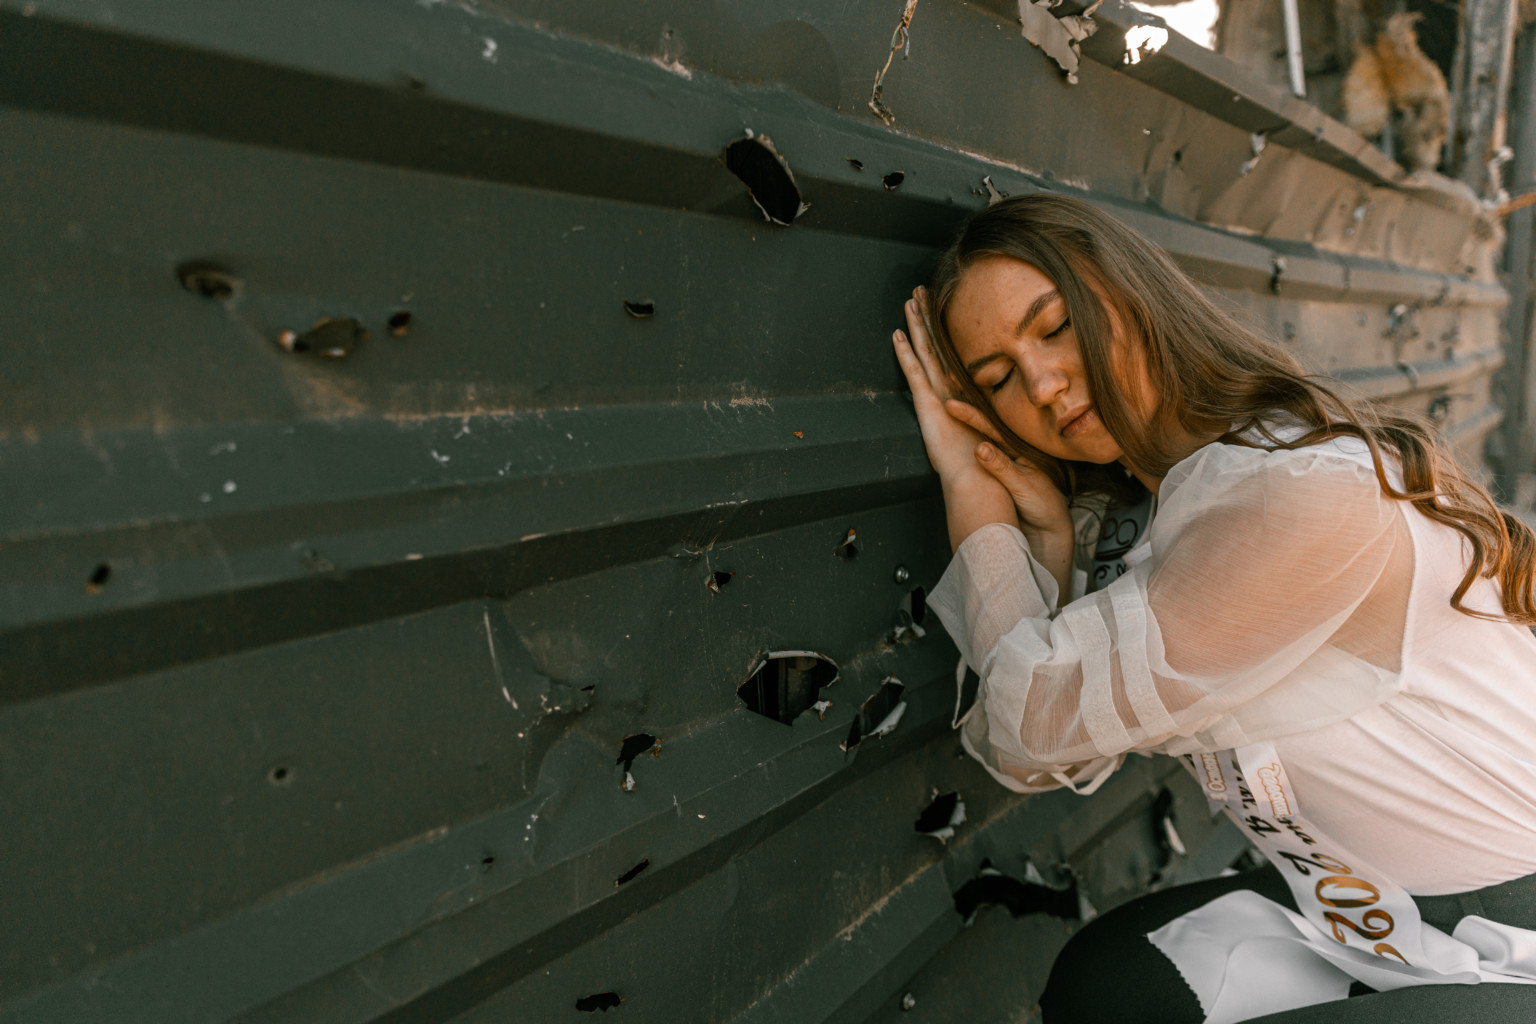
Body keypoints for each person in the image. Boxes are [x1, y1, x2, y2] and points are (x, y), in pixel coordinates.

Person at [890, 193, 1536, 1023]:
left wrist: (974, 498)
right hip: (1367, 910)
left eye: (1055, 328)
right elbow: (1039, 756)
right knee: (1108, 989)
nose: (1044, 385)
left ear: (1131, 296)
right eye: (998, 379)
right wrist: (1047, 544)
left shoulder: (1295, 495)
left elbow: (1030, 727)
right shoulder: (1166, 514)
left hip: (1516, 925)